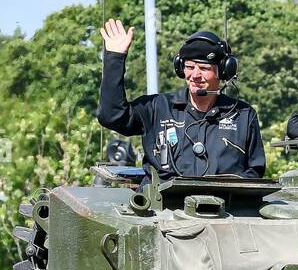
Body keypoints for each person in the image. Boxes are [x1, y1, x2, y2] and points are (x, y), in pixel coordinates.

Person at [96, 19, 265, 180]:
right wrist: (115, 58)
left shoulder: (242, 115)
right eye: (189, 67)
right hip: (163, 206)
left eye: (205, 68)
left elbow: (255, 171)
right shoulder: (158, 108)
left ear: (223, 71)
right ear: (180, 68)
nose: (195, 75)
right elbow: (111, 116)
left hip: (222, 206)